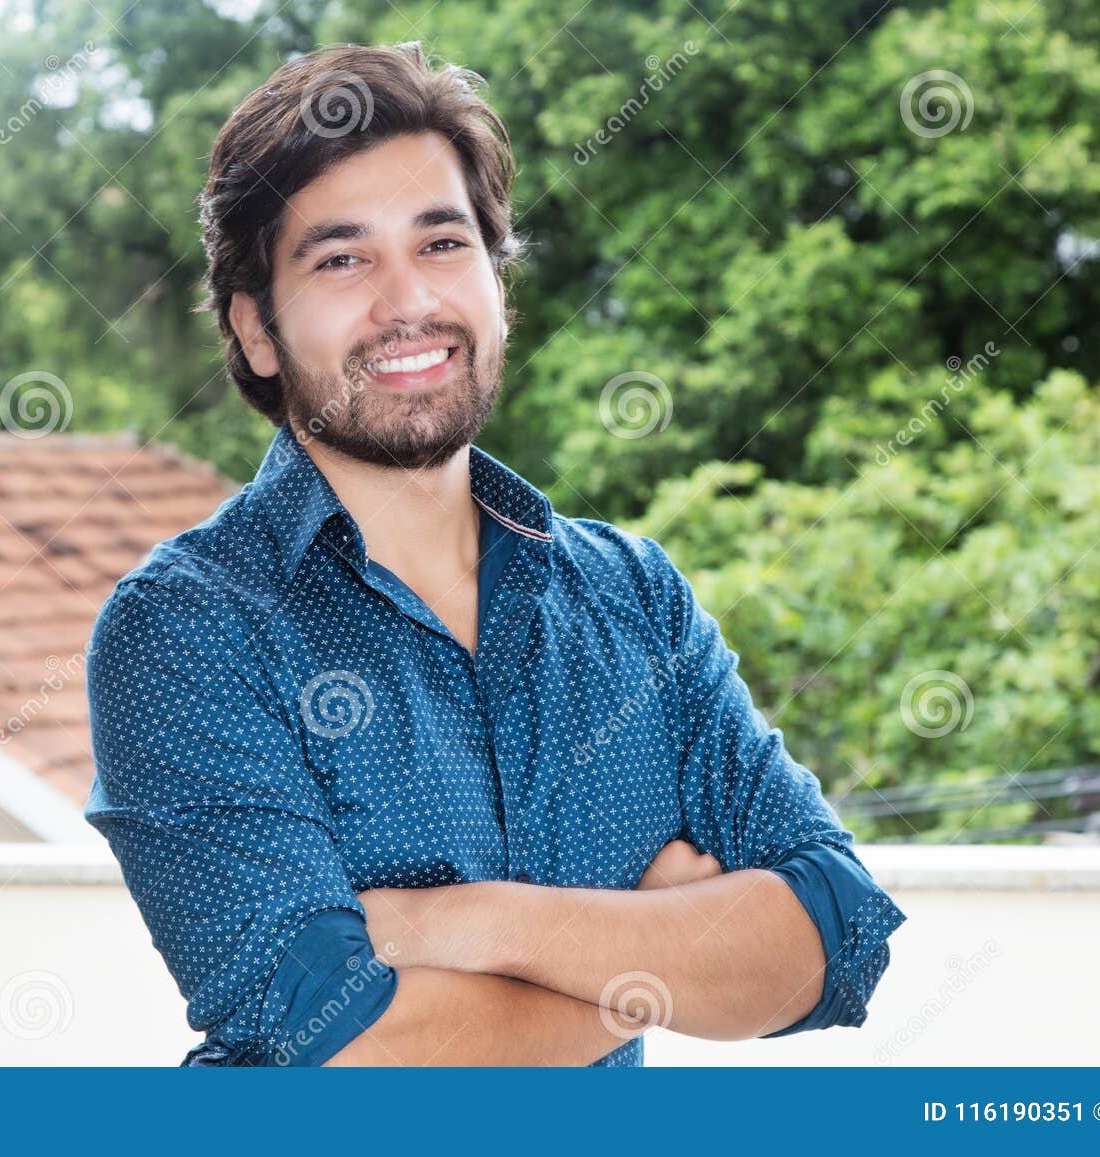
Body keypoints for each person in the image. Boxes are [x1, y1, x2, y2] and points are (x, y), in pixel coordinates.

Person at [84, 41, 907, 1067]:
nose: (407, 303)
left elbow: (834, 939)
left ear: (495, 277)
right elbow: (348, 1049)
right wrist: (661, 962)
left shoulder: (633, 598)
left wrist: (463, 924)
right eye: (341, 259)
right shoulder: (186, 628)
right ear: (255, 328)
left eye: (442, 243)